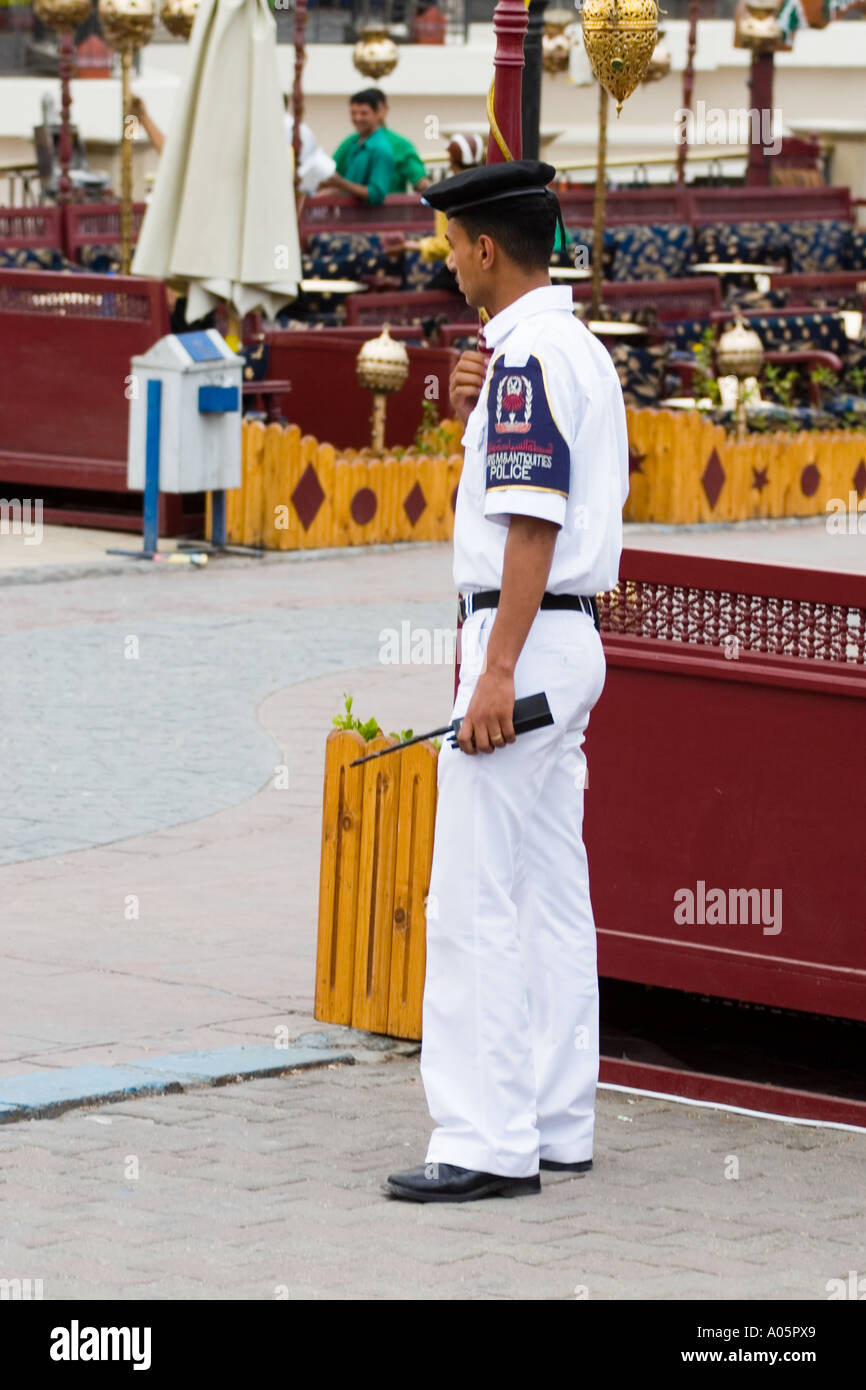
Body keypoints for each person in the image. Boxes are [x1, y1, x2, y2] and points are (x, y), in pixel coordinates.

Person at [385, 160, 629, 1203]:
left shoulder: (526, 356)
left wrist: (491, 670)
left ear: (486, 247)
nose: (445, 264)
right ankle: (556, 1115)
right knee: (548, 890)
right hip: (564, 640)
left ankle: (484, 1137)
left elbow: (529, 521)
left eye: (450, 245)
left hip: (520, 643)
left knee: (475, 896)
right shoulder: (563, 348)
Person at [322, 89, 395, 206]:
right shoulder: (354, 143)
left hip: (369, 221)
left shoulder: (381, 149)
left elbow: (376, 194)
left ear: (378, 114)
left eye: (363, 113)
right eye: (353, 113)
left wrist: (341, 183)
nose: (357, 118)